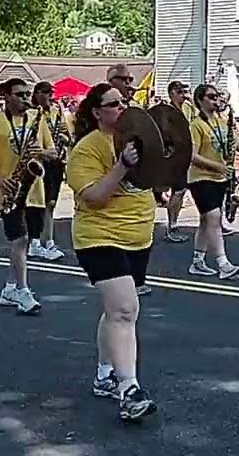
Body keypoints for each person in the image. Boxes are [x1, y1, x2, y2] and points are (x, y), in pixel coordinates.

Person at [67, 82, 158, 422]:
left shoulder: (137, 141)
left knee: (115, 311)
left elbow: (155, 179)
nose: (122, 107)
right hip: (98, 236)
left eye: (124, 102)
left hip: (137, 236)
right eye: (114, 103)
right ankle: (129, 390)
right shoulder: (86, 149)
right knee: (124, 309)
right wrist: (120, 165)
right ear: (97, 112)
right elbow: (93, 197)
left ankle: (105, 372)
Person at [0, 78, 56, 315]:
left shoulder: (37, 120)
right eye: (19, 94)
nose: (24, 98)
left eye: (26, 94)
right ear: (7, 97)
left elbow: (53, 151)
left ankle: (9, 287)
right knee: (19, 240)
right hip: (10, 192)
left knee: (26, 241)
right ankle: (22, 290)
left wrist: (41, 152)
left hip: (34, 191)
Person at [185, 83, 239, 280]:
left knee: (205, 221)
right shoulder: (196, 125)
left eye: (217, 96)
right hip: (201, 177)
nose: (216, 99)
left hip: (220, 177)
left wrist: (235, 136)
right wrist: (216, 166)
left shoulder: (222, 121)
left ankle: (197, 261)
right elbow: (192, 155)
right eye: (211, 96)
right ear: (200, 100)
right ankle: (223, 263)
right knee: (214, 218)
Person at [31, 81, 68, 261]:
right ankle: (35, 240)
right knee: (38, 202)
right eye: (46, 93)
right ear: (37, 94)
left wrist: (65, 137)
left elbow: (66, 132)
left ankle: (49, 239)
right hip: (39, 161)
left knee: (51, 202)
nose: (49, 97)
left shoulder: (56, 111)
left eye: (51, 93)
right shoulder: (31, 113)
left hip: (56, 160)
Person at [163, 80, 195, 243]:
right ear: (172, 93)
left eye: (184, 92)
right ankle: (171, 226)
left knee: (181, 191)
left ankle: (174, 223)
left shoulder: (186, 109)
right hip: (174, 155)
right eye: (180, 92)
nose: (183, 95)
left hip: (184, 154)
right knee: (178, 190)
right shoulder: (168, 111)